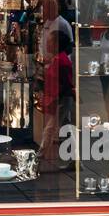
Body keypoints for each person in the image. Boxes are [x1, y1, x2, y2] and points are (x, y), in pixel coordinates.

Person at [39, 29, 75, 167]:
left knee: (50, 128)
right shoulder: (58, 59)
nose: (47, 44)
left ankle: (39, 156)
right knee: (66, 128)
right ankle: (75, 160)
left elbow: (66, 82)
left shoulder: (61, 60)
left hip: (61, 98)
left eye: (50, 42)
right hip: (60, 97)